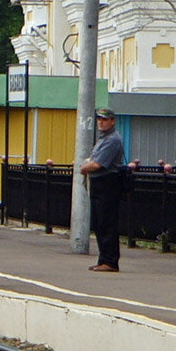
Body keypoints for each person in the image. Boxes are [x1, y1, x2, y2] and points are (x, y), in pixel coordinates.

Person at [80, 107, 125, 273]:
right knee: (99, 223)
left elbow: (97, 164)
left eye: (105, 119)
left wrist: (84, 167)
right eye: (99, 119)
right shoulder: (103, 139)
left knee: (107, 223)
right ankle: (104, 259)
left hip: (108, 183)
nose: (101, 122)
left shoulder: (112, 140)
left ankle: (111, 261)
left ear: (112, 121)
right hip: (100, 183)